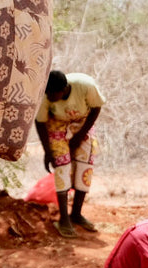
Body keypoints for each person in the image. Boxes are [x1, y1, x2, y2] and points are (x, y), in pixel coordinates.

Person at [36, 70, 104, 237]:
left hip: (82, 124)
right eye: (47, 94)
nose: (49, 97)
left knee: (85, 167)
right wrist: (47, 151)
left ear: (64, 89)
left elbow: (96, 108)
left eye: (52, 94)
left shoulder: (85, 85)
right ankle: (64, 219)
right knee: (62, 168)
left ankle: (77, 214)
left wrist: (80, 136)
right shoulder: (46, 94)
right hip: (57, 125)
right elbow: (40, 122)